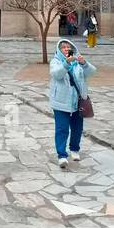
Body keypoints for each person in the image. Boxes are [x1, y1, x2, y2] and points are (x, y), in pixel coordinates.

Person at [48, 38, 96, 169]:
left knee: (77, 128)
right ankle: (62, 155)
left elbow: (92, 72)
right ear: (59, 50)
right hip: (61, 101)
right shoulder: (55, 61)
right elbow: (56, 74)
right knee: (62, 129)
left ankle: (74, 149)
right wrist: (66, 64)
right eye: (63, 47)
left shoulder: (77, 63)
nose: (66, 49)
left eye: (68, 47)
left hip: (77, 101)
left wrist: (84, 63)